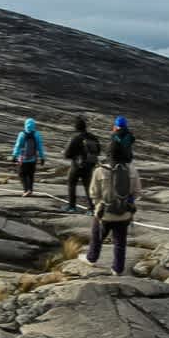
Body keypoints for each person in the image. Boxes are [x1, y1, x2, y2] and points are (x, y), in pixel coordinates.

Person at [86, 130, 142, 274]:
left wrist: (99, 204)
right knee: (120, 242)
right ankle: (118, 268)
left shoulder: (99, 171)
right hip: (124, 214)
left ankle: (92, 259)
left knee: (97, 235)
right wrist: (127, 201)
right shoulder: (132, 170)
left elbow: (93, 192)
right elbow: (137, 192)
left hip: (104, 214)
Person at [63, 116, 102, 213]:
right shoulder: (93, 137)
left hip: (76, 165)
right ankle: (92, 208)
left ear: (76, 127)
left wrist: (72, 156)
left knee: (71, 183)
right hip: (89, 166)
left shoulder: (75, 137)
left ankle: (72, 207)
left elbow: (67, 153)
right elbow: (98, 151)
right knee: (88, 186)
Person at [9, 118, 46, 196]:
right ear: (34, 125)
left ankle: (26, 190)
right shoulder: (37, 134)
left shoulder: (22, 134)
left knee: (22, 174)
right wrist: (42, 157)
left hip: (23, 159)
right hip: (33, 159)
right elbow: (40, 147)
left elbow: (18, 145)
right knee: (31, 175)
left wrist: (14, 155)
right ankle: (30, 190)